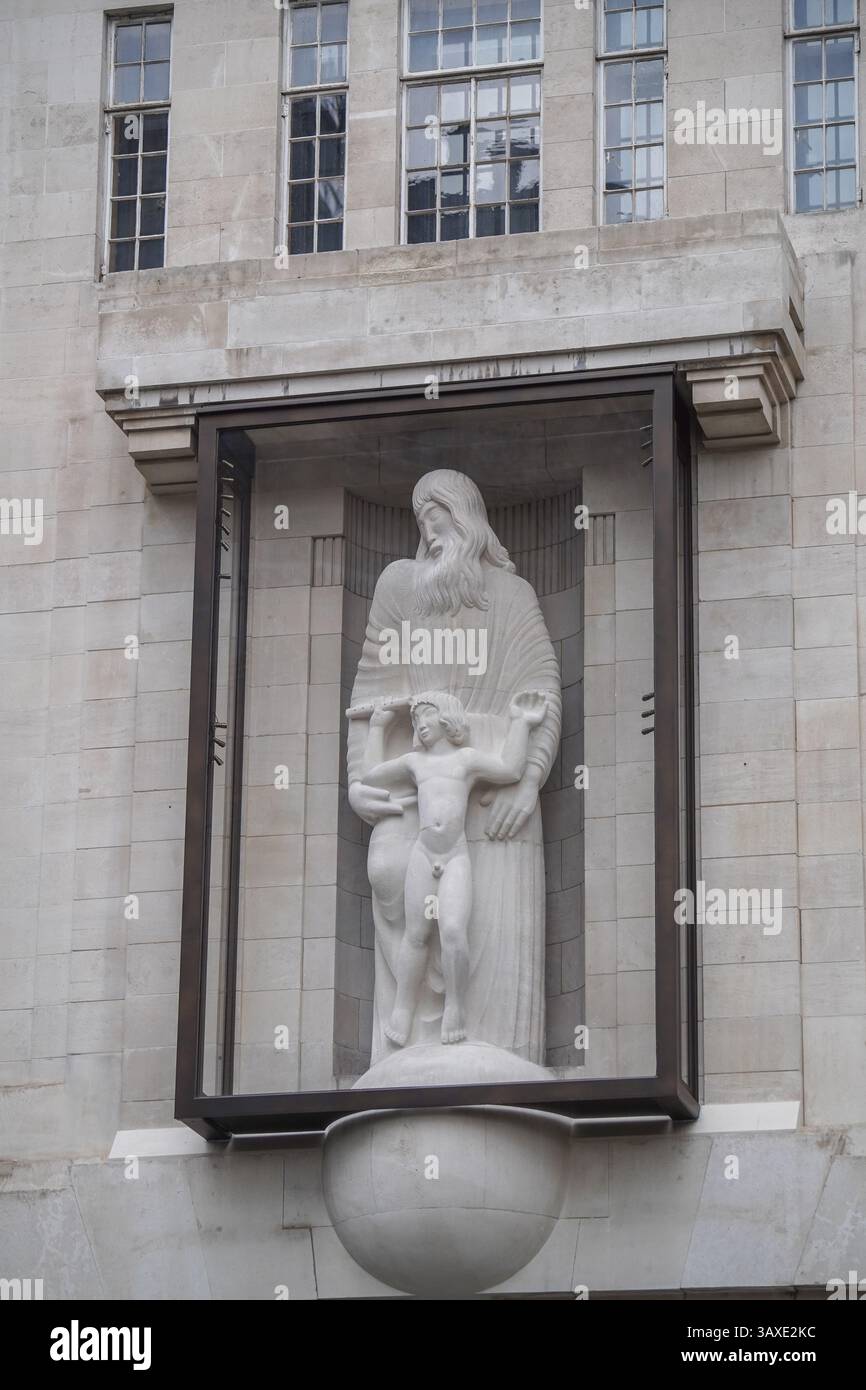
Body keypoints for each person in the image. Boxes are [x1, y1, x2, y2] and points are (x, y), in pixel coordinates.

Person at [347, 469, 562, 1063]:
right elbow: (370, 693)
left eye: (436, 513)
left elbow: (542, 691)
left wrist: (532, 779)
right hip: (414, 778)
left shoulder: (514, 596)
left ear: (464, 515)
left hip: (497, 787)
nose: (429, 528)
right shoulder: (398, 586)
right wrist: (355, 781)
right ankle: (406, 1037)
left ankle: (494, 1055)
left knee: (483, 936)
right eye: (420, 519)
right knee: (388, 867)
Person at [349, 690, 549, 1047]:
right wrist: (378, 727)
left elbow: (510, 768)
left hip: (455, 857)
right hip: (423, 855)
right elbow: (371, 776)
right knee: (416, 934)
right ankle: (402, 1009)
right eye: (415, 720)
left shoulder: (466, 761)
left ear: (446, 718)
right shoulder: (414, 763)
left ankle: (456, 1006)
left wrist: (521, 723)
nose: (420, 725)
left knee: (453, 931)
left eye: (425, 715)